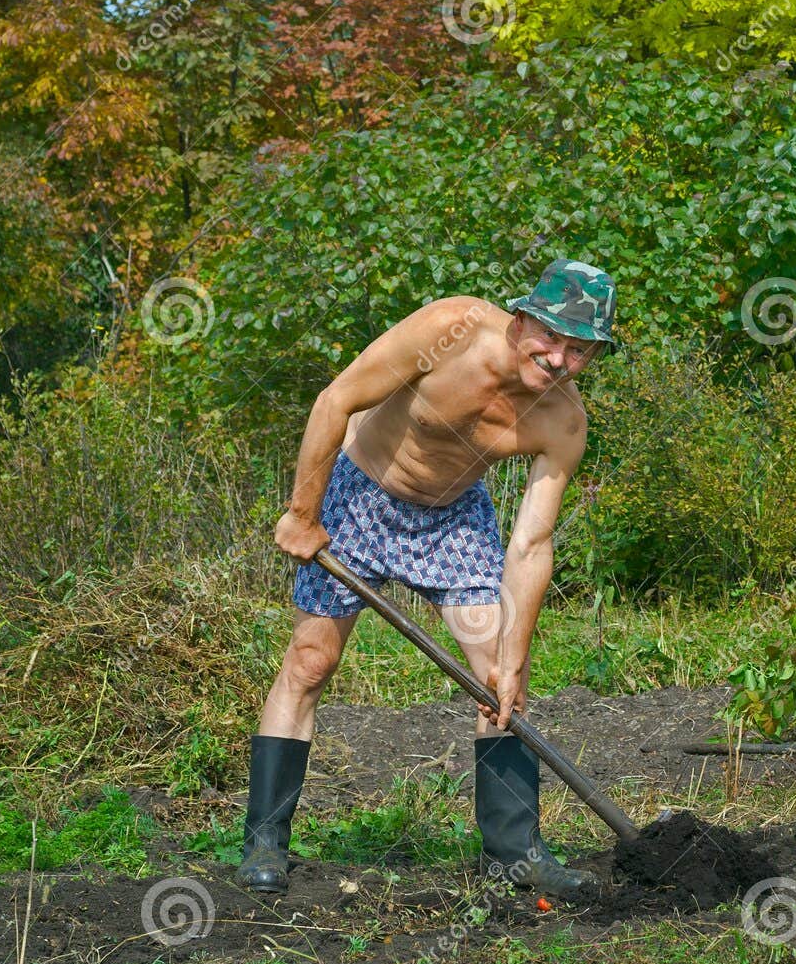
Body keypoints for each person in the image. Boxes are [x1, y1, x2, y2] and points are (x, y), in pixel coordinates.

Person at [235, 259, 618, 900]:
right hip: (360, 496)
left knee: (497, 678)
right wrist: (303, 513)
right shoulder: (452, 327)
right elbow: (337, 399)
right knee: (309, 661)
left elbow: (531, 542)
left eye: (579, 350)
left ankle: (514, 853)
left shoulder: (564, 423)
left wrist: (515, 655)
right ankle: (265, 842)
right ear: (522, 318)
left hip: (454, 519)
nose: (558, 359)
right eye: (550, 336)